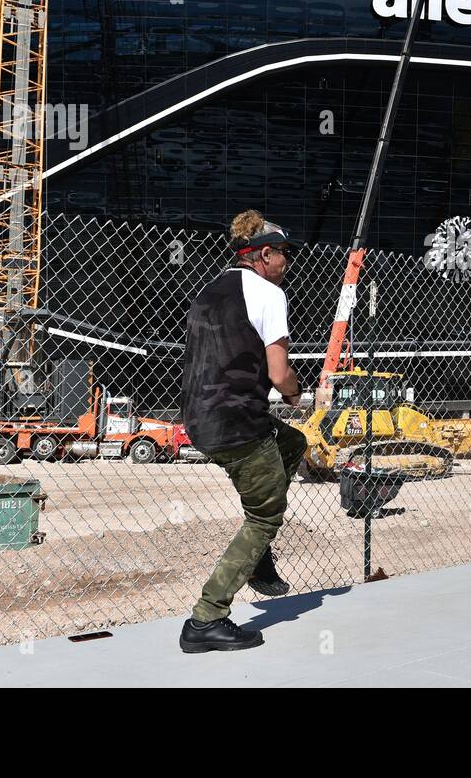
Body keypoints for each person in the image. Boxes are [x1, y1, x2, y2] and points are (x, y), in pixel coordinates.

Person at [178, 210, 307, 653]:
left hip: (200, 418)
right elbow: (279, 372)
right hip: (238, 424)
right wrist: (297, 396)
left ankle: (260, 557)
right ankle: (206, 619)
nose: (288, 263)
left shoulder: (209, 290)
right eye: (284, 254)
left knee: (293, 442)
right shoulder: (269, 295)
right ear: (264, 254)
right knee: (265, 515)